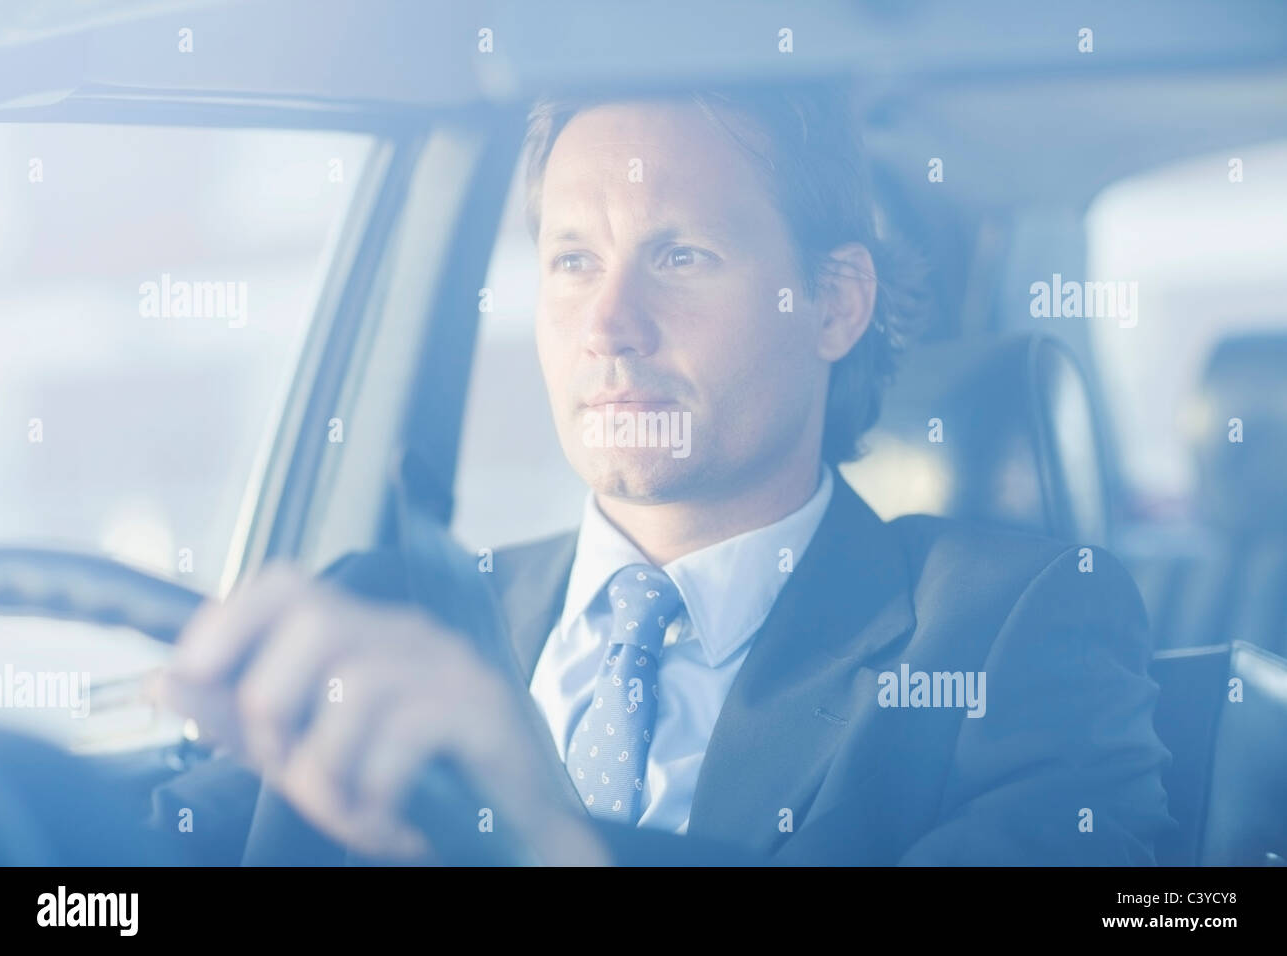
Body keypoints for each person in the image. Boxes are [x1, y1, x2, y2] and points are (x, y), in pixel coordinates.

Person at [152, 84, 1176, 866]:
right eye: (571, 261)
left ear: (832, 303)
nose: (607, 324)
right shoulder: (393, 612)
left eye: (679, 256)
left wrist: (553, 839)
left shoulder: (1016, 628)